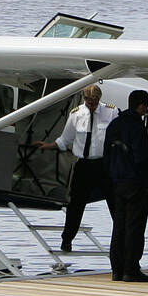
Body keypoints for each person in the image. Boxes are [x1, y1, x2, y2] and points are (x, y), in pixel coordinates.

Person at [33, 84, 118, 252]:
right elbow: (66, 139)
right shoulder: (76, 114)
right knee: (76, 205)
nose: (91, 106)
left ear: (99, 100)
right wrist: (50, 145)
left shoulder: (111, 112)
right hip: (84, 165)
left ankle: (121, 241)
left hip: (103, 165)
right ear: (84, 99)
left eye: (94, 103)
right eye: (88, 102)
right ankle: (67, 240)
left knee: (115, 205)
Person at [101, 89, 148, 282]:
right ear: (141, 105)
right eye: (146, 105)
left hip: (117, 182)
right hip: (135, 182)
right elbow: (141, 157)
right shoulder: (137, 127)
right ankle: (131, 269)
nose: (147, 109)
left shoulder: (114, 124)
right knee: (135, 227)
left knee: (119, 225)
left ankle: (116, 268)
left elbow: (106, 156)